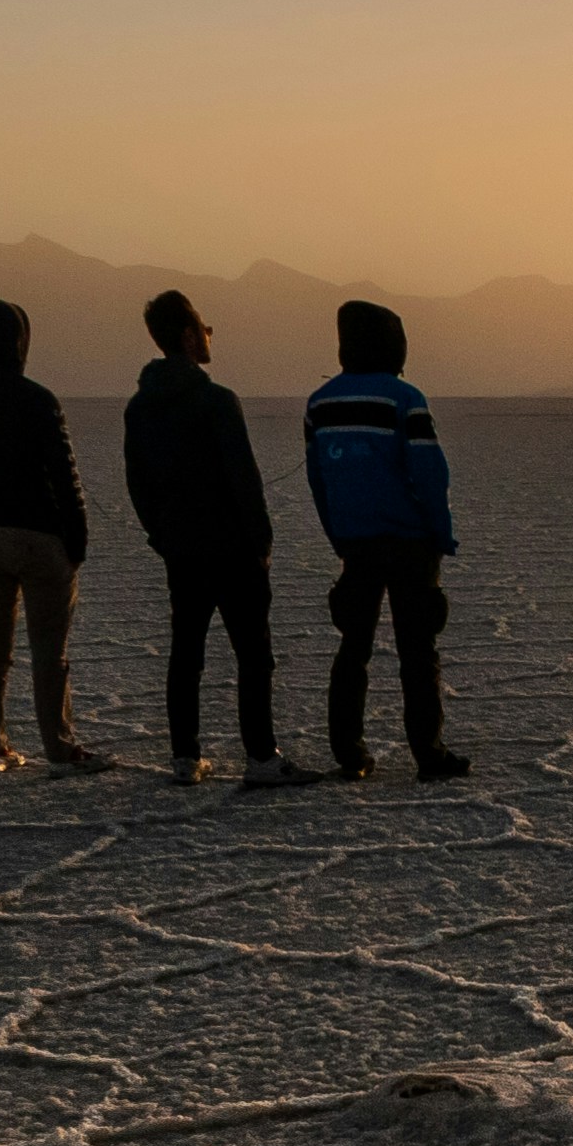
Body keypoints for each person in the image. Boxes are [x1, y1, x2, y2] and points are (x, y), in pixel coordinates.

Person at [121, 290, 321, 788]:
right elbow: (243, 479)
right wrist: (262, 541)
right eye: (204, 328)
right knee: (253, 655)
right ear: (190, 337)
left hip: (181, 551)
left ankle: (185, 757)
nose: (209, 337)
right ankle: (261, 756)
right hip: (232, 548)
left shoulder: (140, 407)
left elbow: (137, 483)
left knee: (186, 653)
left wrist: (161, 535)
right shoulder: (216, 401)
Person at [0, 295, 105, 773]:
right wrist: (77, 538)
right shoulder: (37, 398)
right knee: (49, 650)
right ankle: (61, 748)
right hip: (41, 537)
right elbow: (64, 475)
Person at [303, 301, 468, 782]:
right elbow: (430, 473)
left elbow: (319, 479)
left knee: (353, 647)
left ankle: (349, 753)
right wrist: (441, 532)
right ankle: (429, 754)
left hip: (356, 543)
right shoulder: (405, 399)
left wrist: (338, 534)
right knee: (418, 650)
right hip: (411, 543)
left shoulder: (320, 404)